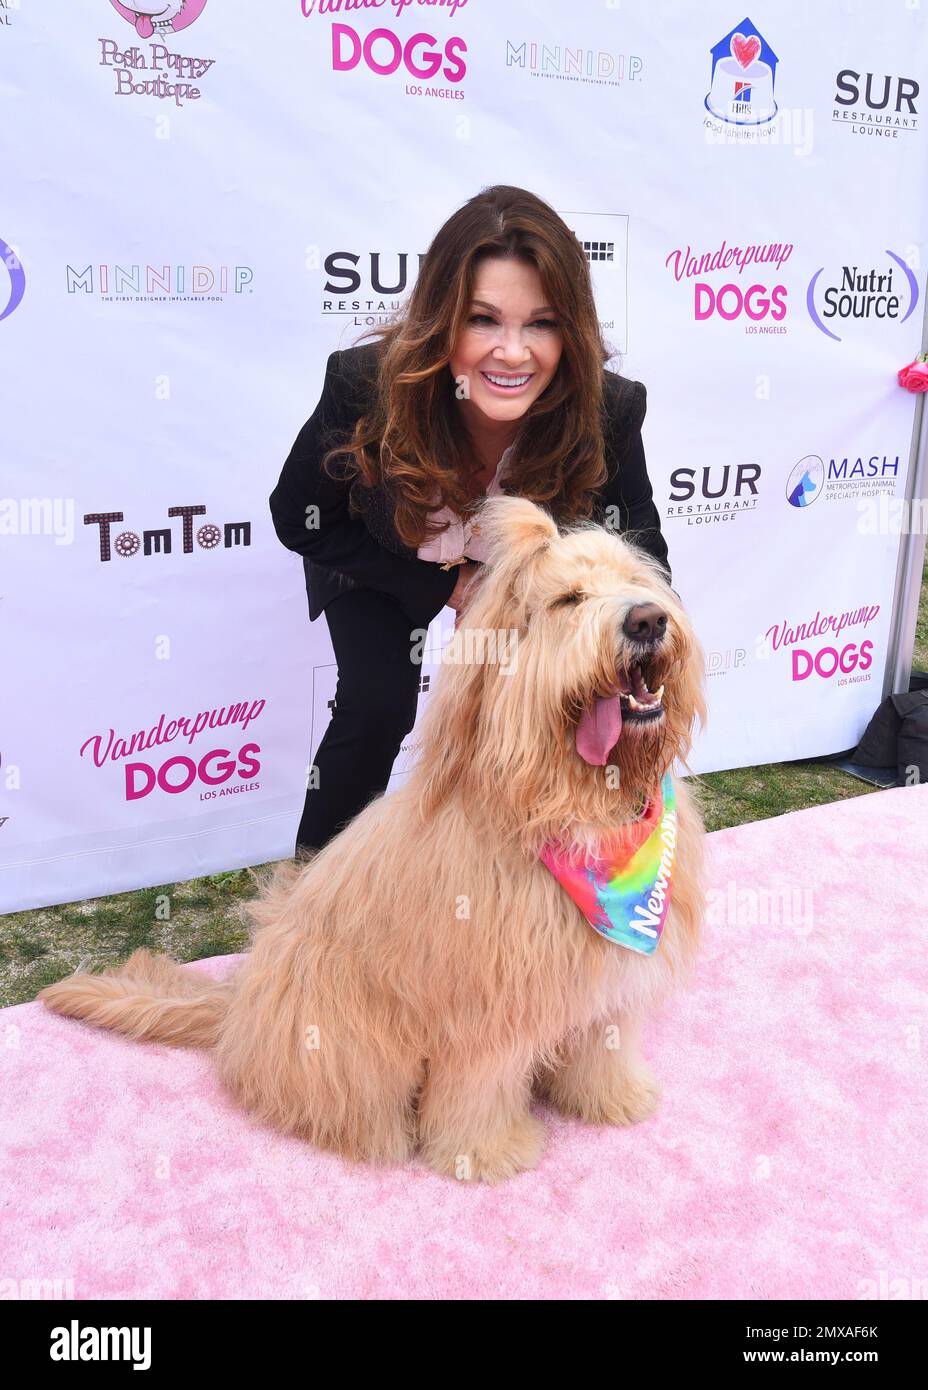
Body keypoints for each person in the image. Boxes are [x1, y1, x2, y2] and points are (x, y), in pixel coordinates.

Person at [269, 184, 673, 858]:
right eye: (484, 320)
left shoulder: (607, 407)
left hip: (525, 572)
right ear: (441, 319)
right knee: (377, 703)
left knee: (543, 702)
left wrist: (654, 643)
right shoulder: (364, 386)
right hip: (384, 554)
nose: (512, 353)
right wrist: (442, 589)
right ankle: (311, 897)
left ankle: (516, 883)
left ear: (569, 329)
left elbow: (640, 538)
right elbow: (299, 518)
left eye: (541, 324)